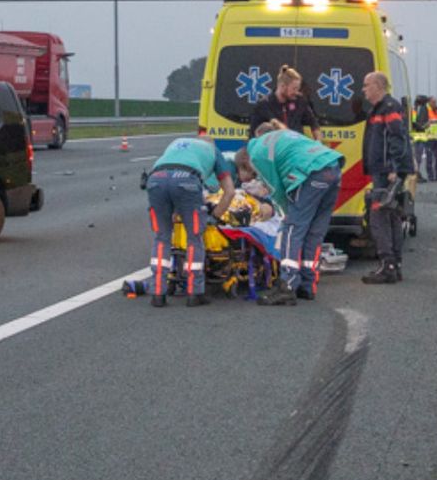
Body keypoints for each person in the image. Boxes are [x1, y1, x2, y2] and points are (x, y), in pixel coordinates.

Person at [247, 120, 343, 304]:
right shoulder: (286, 135)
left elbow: (274, 187)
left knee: (293, 228)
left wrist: (285, 212)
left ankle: (288, 285)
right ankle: (308, 285)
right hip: (333, 166)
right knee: (315, 230)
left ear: (256, 136)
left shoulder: (257, 150)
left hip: (310, 173)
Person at [145, 136, 235, 307]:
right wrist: (213, 217)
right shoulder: (213, 152)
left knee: (162, 237)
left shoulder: (176, 143)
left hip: (156, 179)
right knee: (194, 237)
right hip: (187, 181)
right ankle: (195, 292)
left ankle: (157, 293)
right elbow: (229, 192)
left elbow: (168, 178)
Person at [360, 71, 414, 284]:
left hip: (386, 172)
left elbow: (397, 138)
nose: (364, 89)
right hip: (384, 170)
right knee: (391, 216)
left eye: (367, 85)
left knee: (380, 216)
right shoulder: (379, 109)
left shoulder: (388, 108)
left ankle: (388, 264)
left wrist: (394, 167)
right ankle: (393, 264)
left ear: (378, 86)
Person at [248, 65, 322, 140]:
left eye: (298, 89)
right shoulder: (264, 104)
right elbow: (275, 124)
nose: (297, 92)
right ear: (282, 86)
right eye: (294, 89)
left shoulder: (300, 101)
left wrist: (318, 142)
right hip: (274, 147)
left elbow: (313, 122)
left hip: (296, 147)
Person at [411, 95, 430, 182]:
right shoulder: (416, 109)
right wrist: (420, 126)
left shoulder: (423, 108)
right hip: (417, 134)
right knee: (417, 157)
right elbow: (413, 121)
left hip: (420, 134)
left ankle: (417, 173)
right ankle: (416, 174)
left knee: (418, 157)